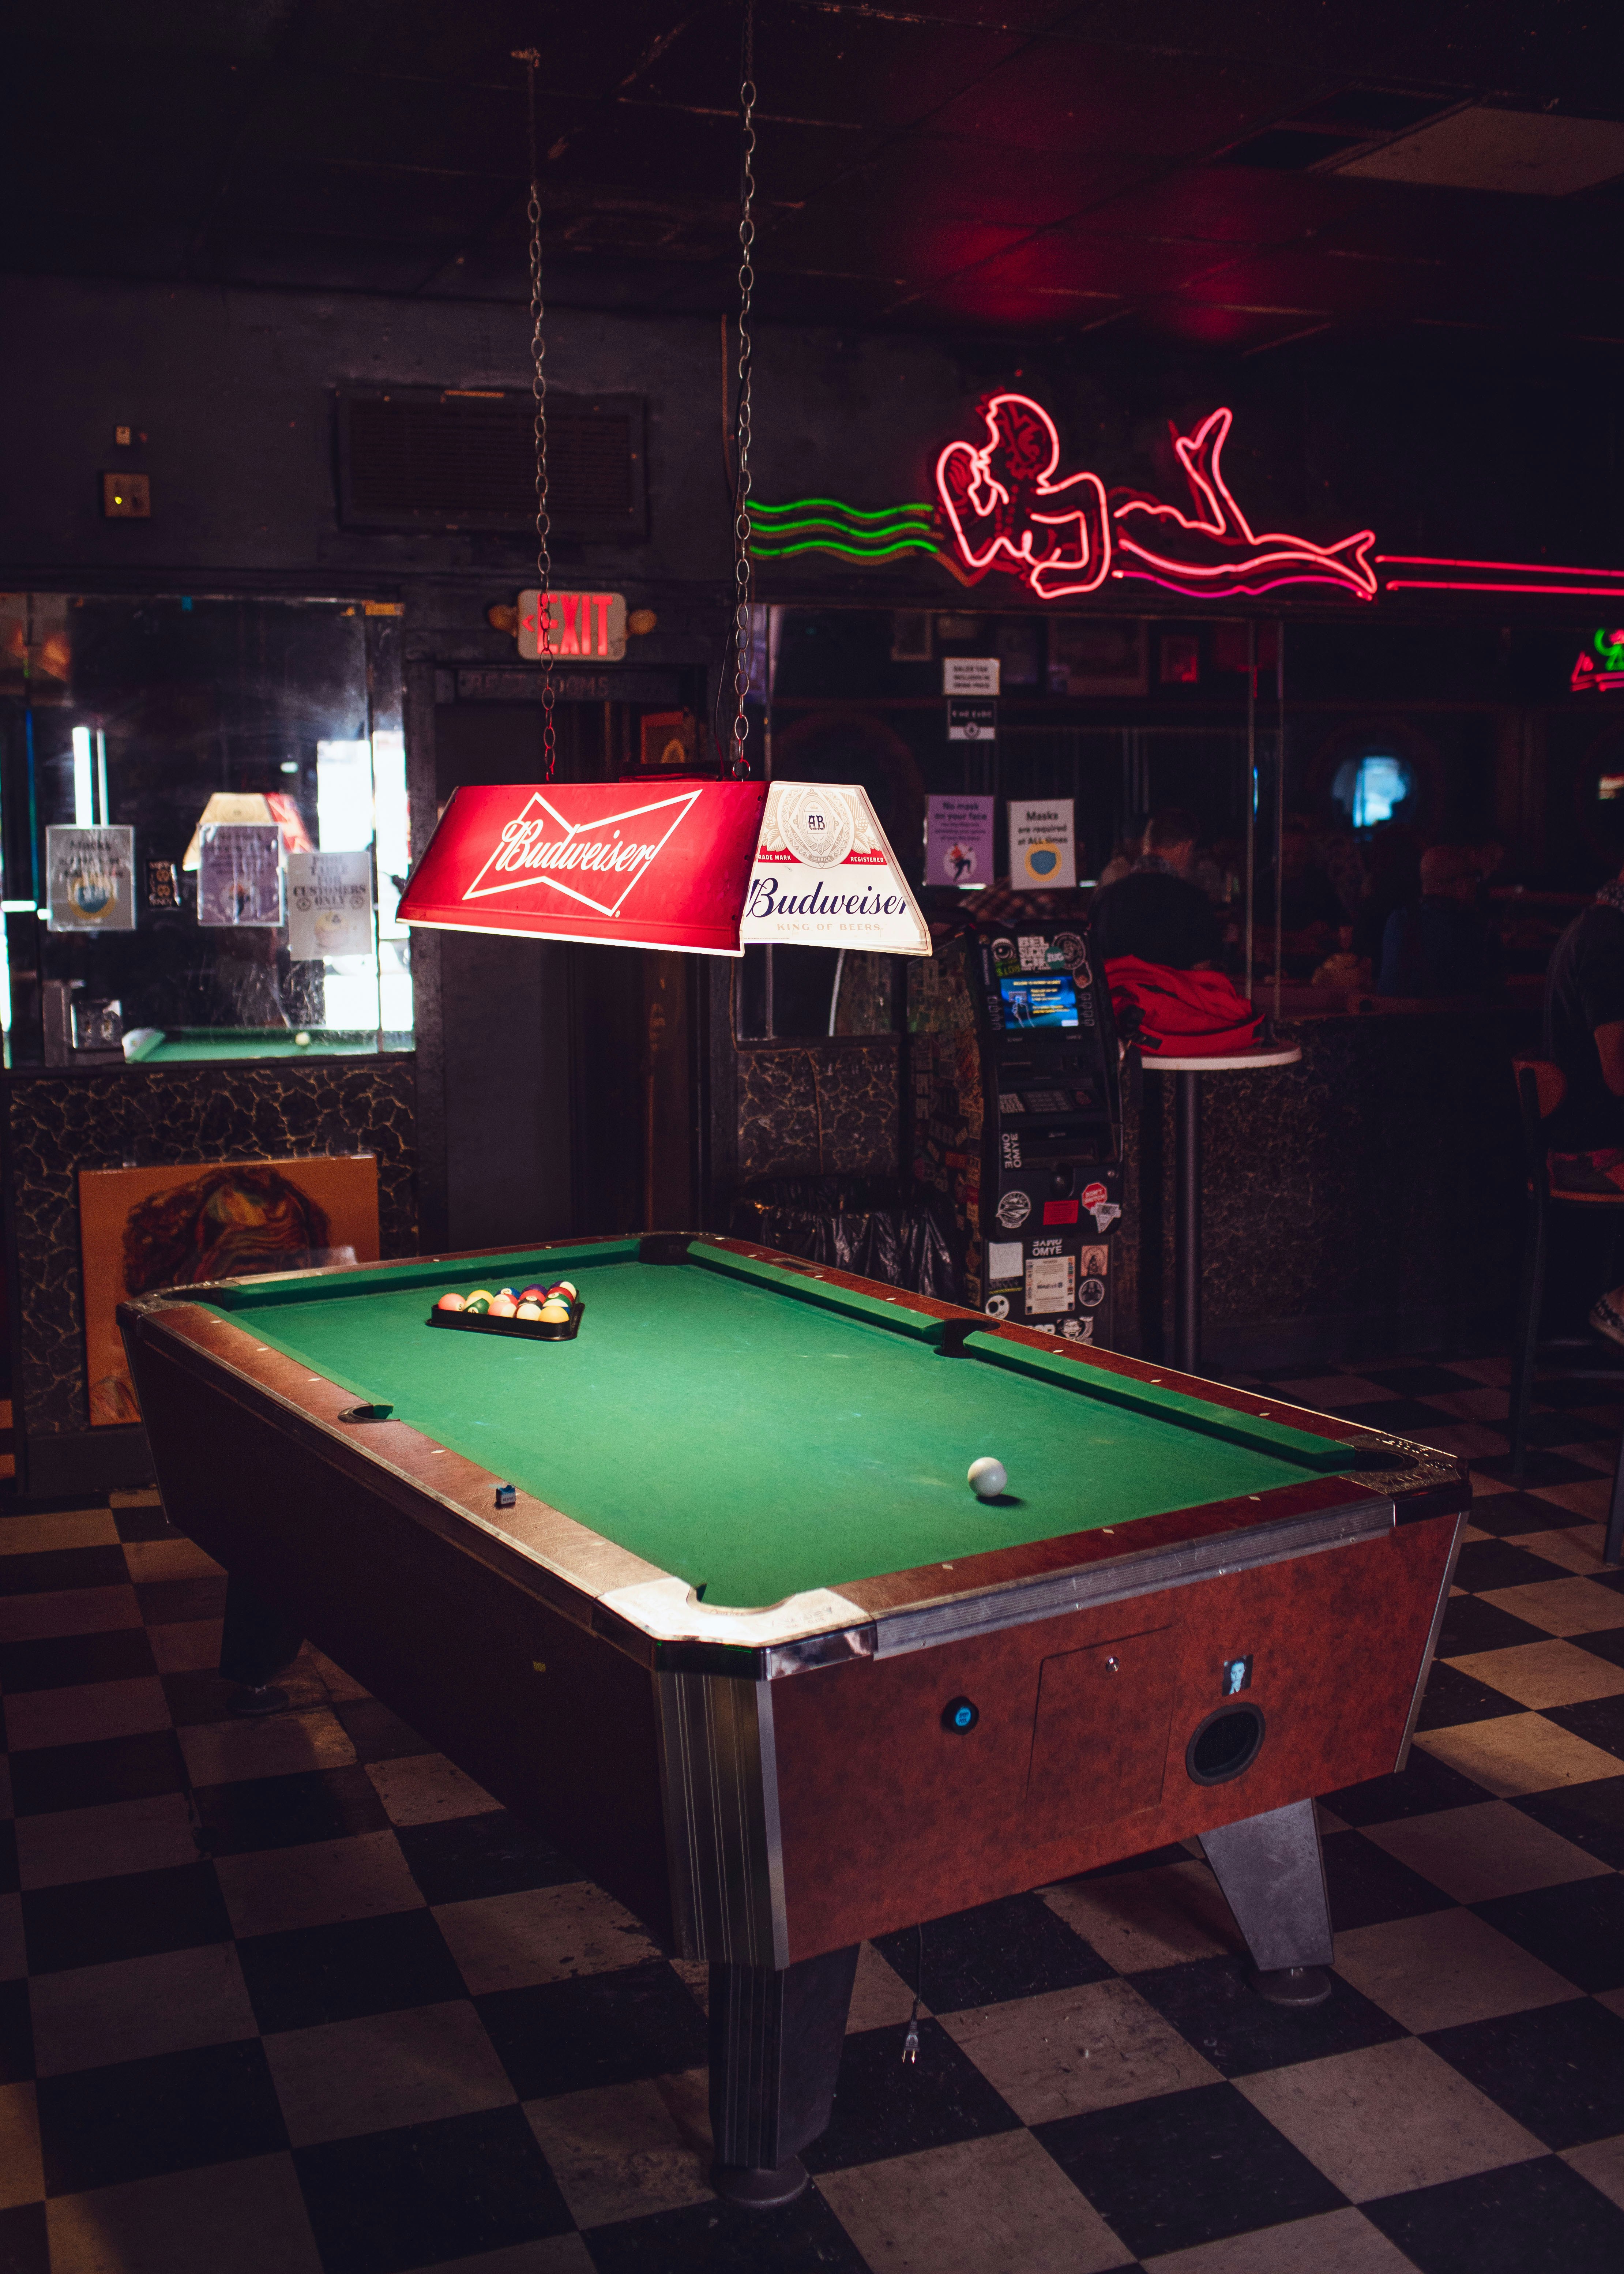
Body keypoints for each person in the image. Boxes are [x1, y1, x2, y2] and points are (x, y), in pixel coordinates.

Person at [1544, 856, 1624, 1343]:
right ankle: (1619, 1304)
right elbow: (1619, 1074)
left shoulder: (1600, 928)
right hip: (1593, 1151)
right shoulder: (1608, 942)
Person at [1090, 806, 1220, 969]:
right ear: (1186, 848)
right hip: (1172, 995)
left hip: (1119, 994)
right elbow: (1201, 971)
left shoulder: (1105, 898)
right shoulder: (1194, 901)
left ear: (1148, 843)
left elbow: (1094, 964)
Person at [1376, 845, 1504, 998]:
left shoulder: (1398, 921)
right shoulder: (1481, 928)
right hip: (1465, 1021)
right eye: (1474, 879)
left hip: (1398, 1020)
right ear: (1461, 885)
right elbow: (1497, 990)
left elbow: (1388, 988)